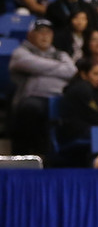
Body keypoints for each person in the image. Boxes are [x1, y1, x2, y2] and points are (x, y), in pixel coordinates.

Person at [8, 18, 75, 160]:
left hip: (60, 97)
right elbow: (26, 63)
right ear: (30, 35)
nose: (45, 36)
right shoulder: (21, 52)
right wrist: (58, 67)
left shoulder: (61, 54)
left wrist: (39, 68)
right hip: (33, 96)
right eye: (40, 32)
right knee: (31, 108)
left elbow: (72, 71)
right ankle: (26, 154)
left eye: (48, 33)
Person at [56, 57, 98, 165]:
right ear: (84, 74)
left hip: (90, 129)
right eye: (96, 74)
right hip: (76, 132)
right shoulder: (82, 89)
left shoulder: (95, 89)